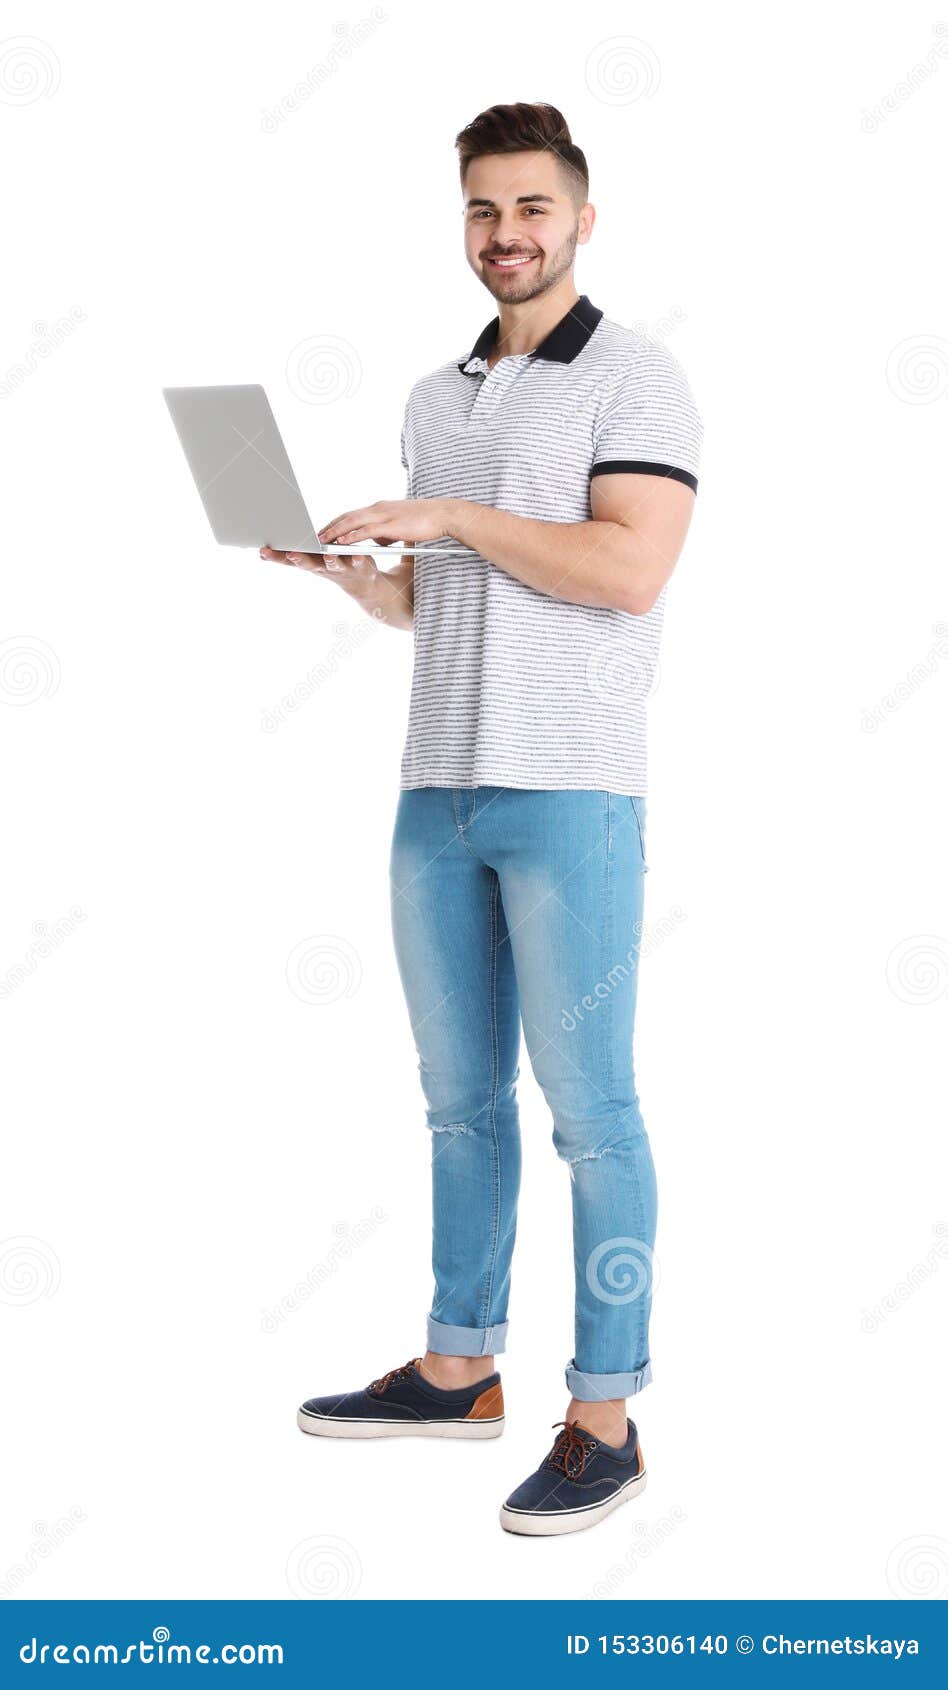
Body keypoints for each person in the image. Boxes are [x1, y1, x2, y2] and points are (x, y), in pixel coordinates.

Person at [262, 101, 702, 1536]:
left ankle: (607, 1411)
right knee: (458, 1102)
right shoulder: (436, 396)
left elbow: (627, 569)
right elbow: (441, 601)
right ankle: (461, 1366)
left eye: (530, 208)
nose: (505, 235)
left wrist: (448, 520)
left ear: (583, 217)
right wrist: (359, 578)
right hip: (433, 788)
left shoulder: (636, 379)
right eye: (480, 212)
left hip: (570, 787)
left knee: (594, 1112)